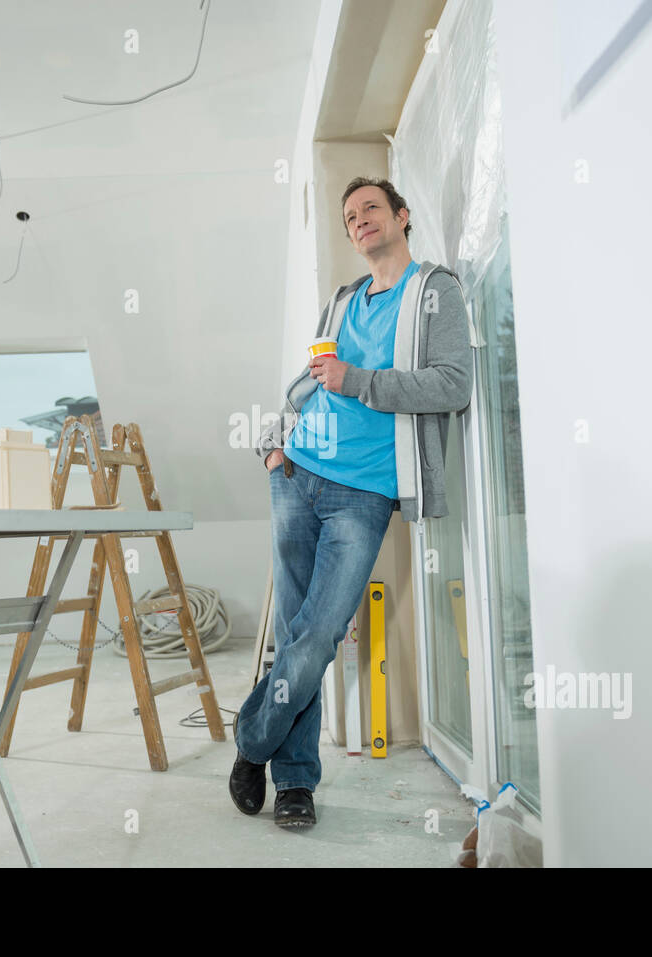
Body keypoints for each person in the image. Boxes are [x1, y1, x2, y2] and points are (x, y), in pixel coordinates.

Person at [231, 176, 474, 827]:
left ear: (401, 216)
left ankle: (252, 742)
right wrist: (275, 440)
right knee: (294, 632)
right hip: (297, 474)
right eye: (349, 217)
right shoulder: (342, 300)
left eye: (371, 208)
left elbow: (453, 383)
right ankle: (296, 785)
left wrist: (357, 380)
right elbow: (312, 380)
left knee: (318, 636)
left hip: (363, 495)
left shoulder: (433, 293)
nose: (360, 220)